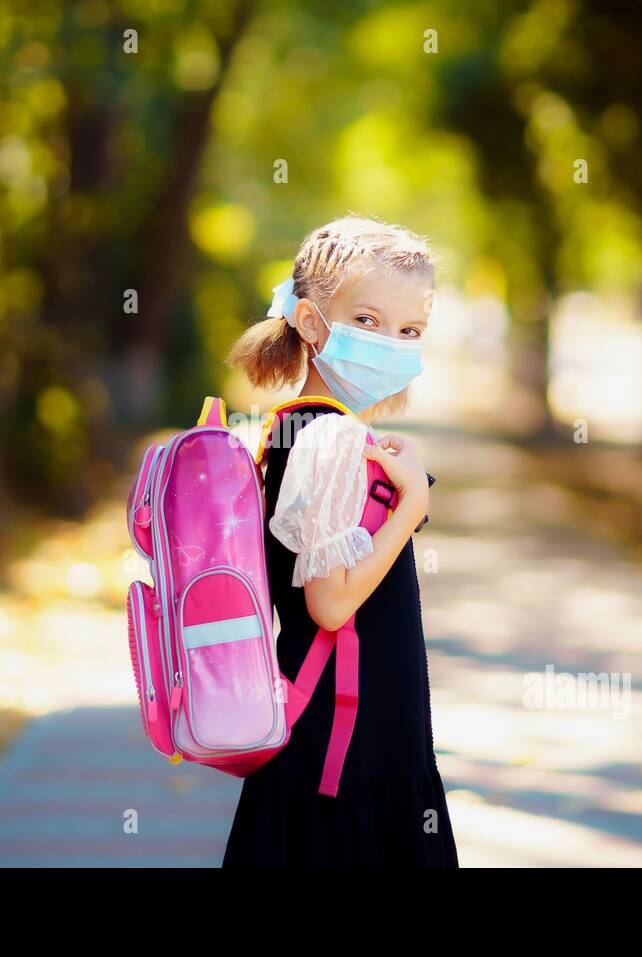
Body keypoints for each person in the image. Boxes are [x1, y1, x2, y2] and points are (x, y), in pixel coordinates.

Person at [220, 216, 459, 867]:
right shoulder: (327, 439)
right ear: (311, 322)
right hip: (345, 756)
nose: (392, 344)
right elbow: (330, 602)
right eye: (369, 321)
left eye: (410, 331)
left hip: (334, 741)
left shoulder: (298, 427)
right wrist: (411, 505)